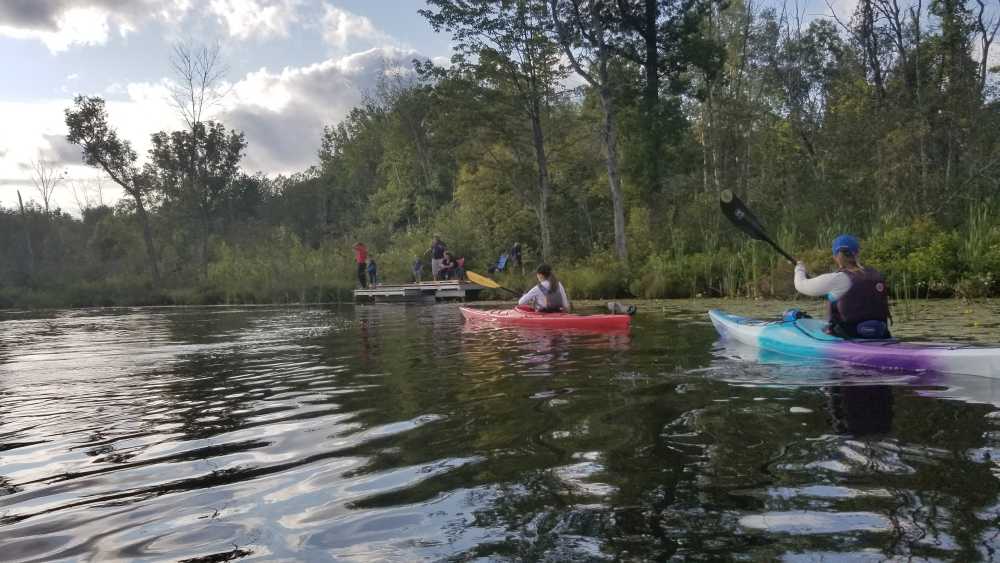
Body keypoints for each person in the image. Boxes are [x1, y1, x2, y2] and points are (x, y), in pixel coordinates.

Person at [794, 234, 890, 339]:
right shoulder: (876, 274)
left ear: (835, 256)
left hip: (849, 337)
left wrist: (799, 268)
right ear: (857, 253)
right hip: (882, 335)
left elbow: (801, 285)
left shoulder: (838, 279)